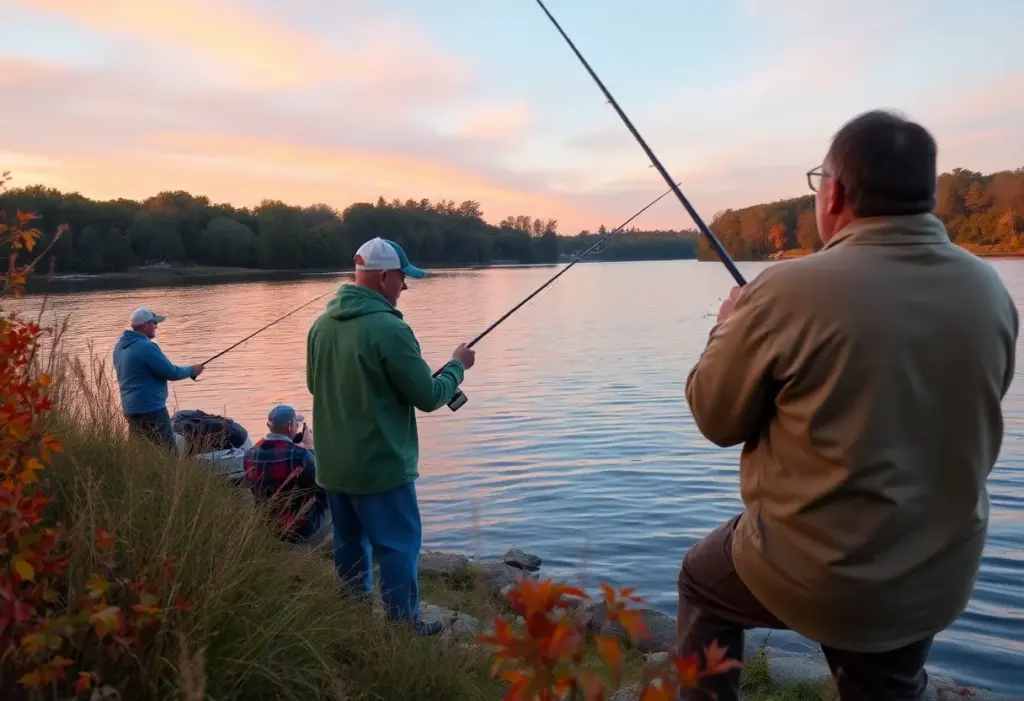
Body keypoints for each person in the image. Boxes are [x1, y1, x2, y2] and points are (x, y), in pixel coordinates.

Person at [678, 110, 1018, 701]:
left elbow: (715, 417)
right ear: (928, 194)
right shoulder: (988, 288)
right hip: (938, 571)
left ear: (834, 193)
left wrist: (727, 326)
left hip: (819, 574)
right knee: (884, 679)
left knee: (701, 581)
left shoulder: (784, 291)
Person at [306, 237, 476, 636]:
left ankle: (353, 618)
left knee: (349, 543)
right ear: (383, 277)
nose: (405, 286)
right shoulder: (390, 328)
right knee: (398, 546)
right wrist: (457, 366)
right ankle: (403, 630)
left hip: (332, 464)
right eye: (402, 278)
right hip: (380, 465)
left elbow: (316, 385)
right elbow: (429, 396)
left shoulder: (321, 325)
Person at [113, 307, 204, 448]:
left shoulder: (119, 347)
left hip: (130, 409)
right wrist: (192, 370)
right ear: (145, 325)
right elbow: (171, 372)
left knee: (140, 451)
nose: (156, 326)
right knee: (168, 452)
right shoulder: (146, 347)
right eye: (154, 323)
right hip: (152, 410)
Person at [243, 404, 330, 545]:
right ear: (290, 426)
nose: (297, 426)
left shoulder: (249, 454)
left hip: (266, 526)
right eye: (296, 423)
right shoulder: (301, 456)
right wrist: (310, 449)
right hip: (299, 529)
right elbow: (321, 488)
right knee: (334, 497)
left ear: (268, 425)